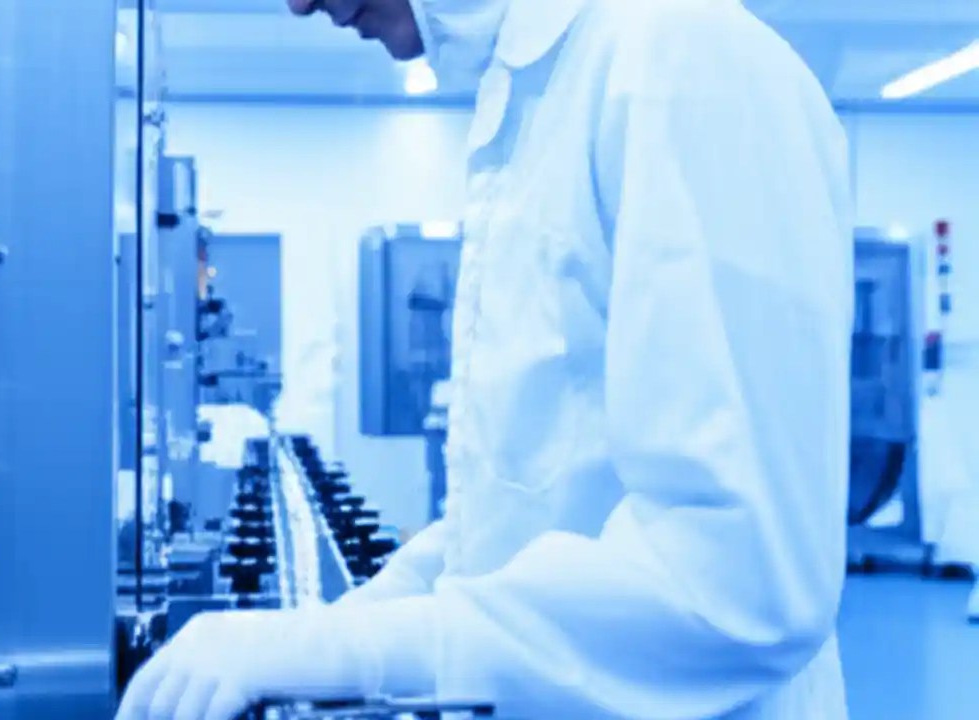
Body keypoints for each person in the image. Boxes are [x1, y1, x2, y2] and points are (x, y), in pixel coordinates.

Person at [120, 0, 853, 717]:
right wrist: (327, 632)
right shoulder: (537, 98)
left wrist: (362, 651)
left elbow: (734, 582)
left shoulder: (679, 60)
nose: (298, 5)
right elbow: (518, 515)